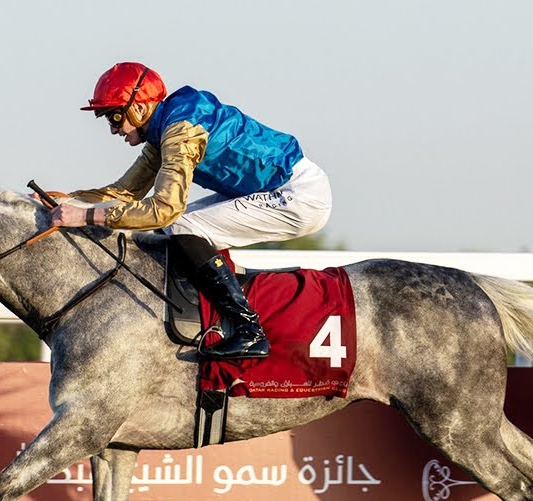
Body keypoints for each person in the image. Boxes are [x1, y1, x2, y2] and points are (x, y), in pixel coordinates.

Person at [49, 62, 333, 360]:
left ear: (140, 108)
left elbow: (165, 209)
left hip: (299, 194)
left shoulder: (181, 130)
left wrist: (85, 216)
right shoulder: (164, 128)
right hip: (274, 188)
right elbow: (124, 193)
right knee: (179, 228)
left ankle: (248, 330)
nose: (112, 129)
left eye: (114, 117)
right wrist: (66, 200)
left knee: (181, 226)